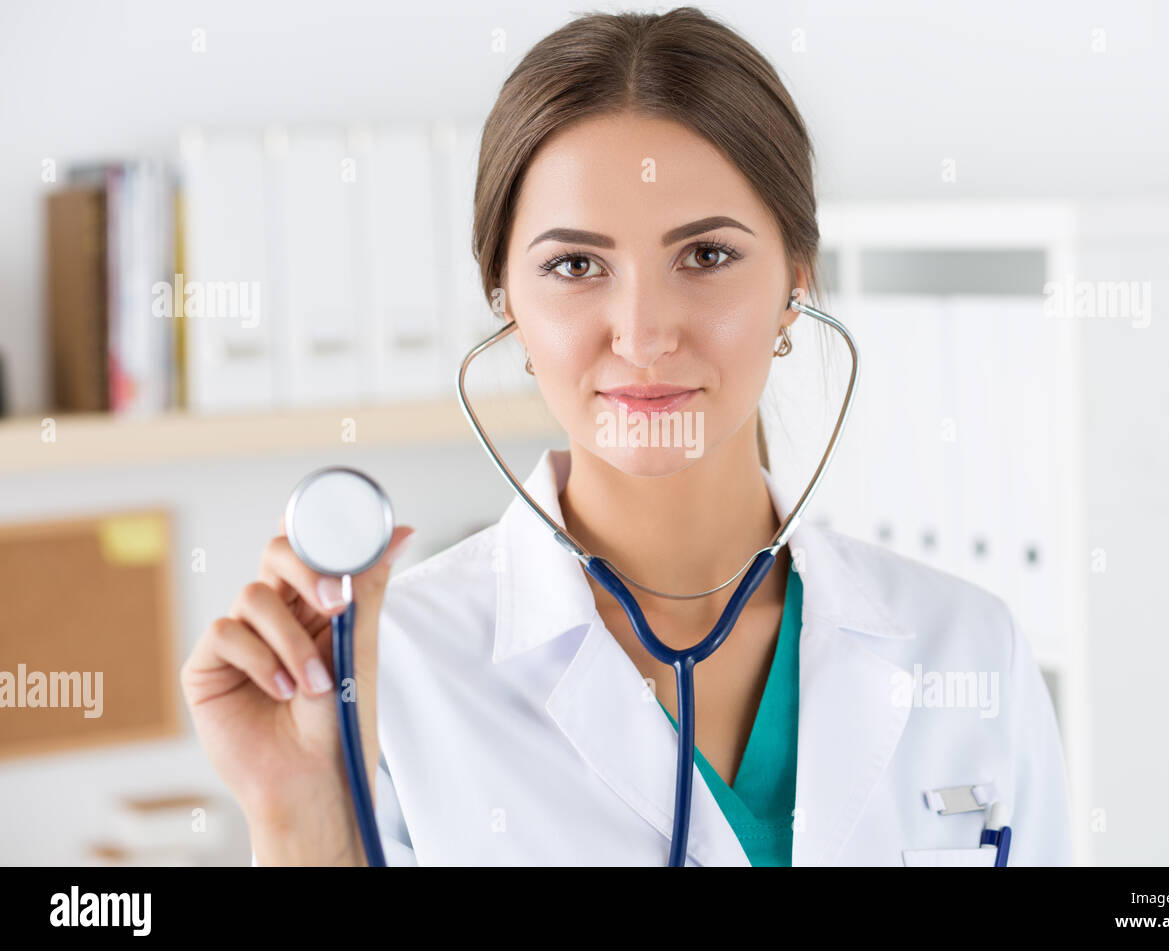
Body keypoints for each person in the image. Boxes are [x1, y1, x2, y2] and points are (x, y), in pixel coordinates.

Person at [181, 6, 1072, 866]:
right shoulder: (386, 678)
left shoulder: (965, 646)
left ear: (797, 279)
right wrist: (303, 828)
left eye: (707, 255)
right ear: (507, 303)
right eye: (576, 266)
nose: (643, 335)